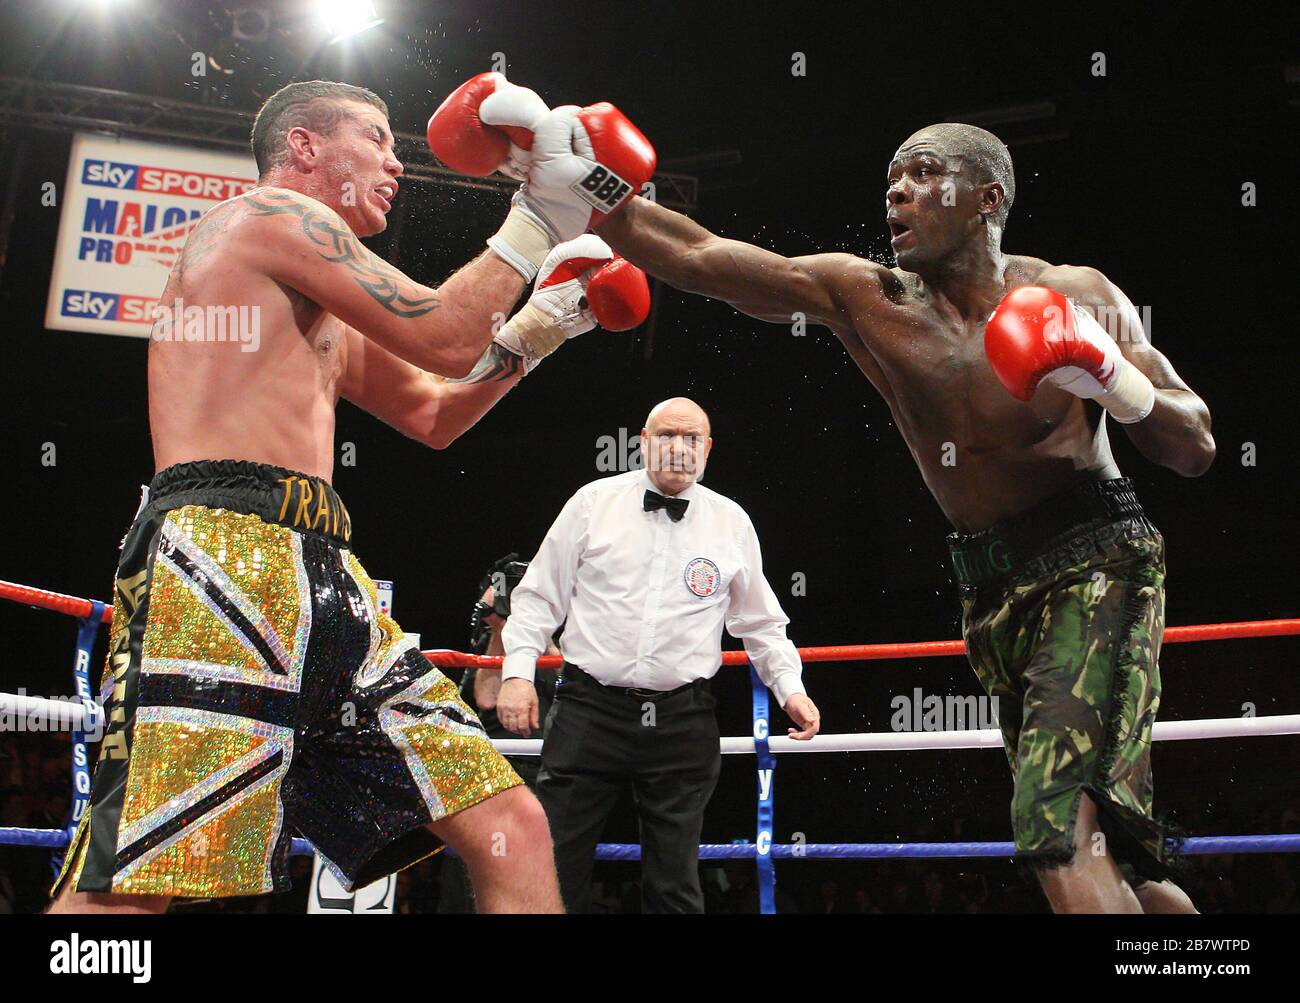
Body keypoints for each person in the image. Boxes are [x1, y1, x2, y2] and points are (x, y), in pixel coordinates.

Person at [48, 76, 652, 914]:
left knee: (510, 819)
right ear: (302, 147)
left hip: (325, 574)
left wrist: (535, 335)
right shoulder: (271, 218)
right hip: (217, 558)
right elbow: (443, 333)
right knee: (138, 887)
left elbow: (434, 411)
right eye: (375, 137)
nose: (396, 160)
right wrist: (540, 215)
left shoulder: (316, 308)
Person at [595, 123, 1214, 914]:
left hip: (1098, 560)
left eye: (924, 174)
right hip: (991, 591)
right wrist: (581, 181)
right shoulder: (870, 299)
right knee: (1112, 848)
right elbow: (699, 257)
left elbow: (1194, 444)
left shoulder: (1074, 293)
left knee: (1054, 825)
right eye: (892, 178)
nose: (895, 191)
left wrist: (1111, 375)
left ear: (987, 199)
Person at [496, 397, 821, 913]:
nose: (679, 447)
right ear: (643, 441)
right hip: (588, 710)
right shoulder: (592, 503)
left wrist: (791, 689)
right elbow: (537, 597)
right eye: (667, 435)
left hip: (681, 720)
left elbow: (761, 623)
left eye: (691, 438)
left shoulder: (730, 522)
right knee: (555, 863)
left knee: (675, 881)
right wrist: (516, 673)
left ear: (707, 449)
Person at [438, 554, 562, 913]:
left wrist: (535, 631)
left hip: (544, 773)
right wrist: (499, 629)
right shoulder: (486, 645)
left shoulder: (553, 643)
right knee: (478, 874)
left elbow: (568, 685)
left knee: (537, 875)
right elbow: (488, 697)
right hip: (496, 774)